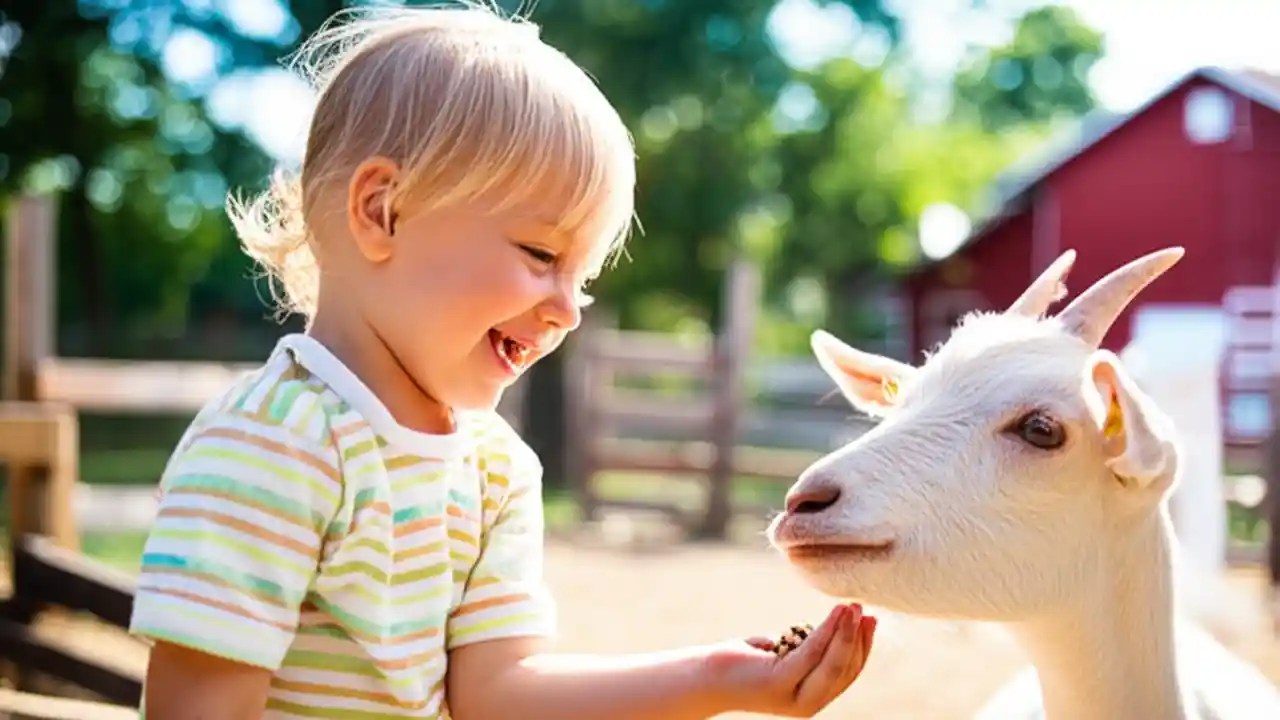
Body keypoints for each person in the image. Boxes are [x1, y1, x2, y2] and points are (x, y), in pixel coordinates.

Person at [129, 3, 878, 718]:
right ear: (382, 211)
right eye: (541, 254)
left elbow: (499, 694)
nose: (570, 306)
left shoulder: (493, 472)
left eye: (582, 277)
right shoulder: (274, 444)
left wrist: (718, 677)